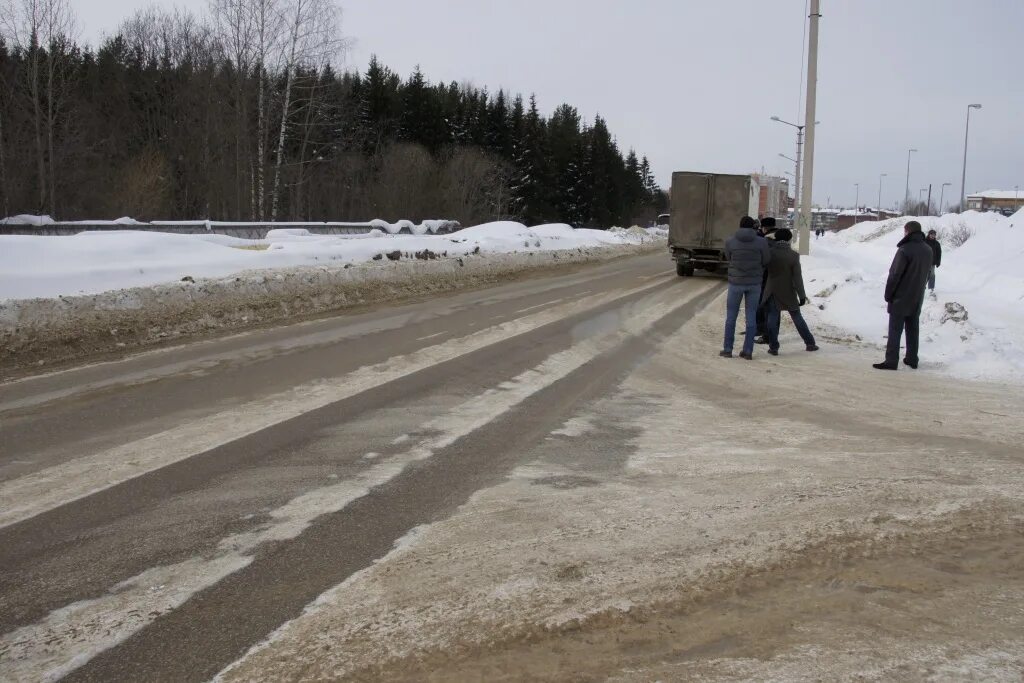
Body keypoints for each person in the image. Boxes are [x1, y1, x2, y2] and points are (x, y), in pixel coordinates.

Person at [873, 220, 933, 370]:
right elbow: (928, 274)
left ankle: (891, 360)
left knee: (895, 330)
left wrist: (888, 295)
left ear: (907, 231)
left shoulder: (904, 249)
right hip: (917, 296)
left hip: (900, 297)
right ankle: (912, 359)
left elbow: (895, 275)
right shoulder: (928, 250)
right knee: (913, 328)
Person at [761, 228, 818, 355]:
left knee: (772, 319)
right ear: (789, 239)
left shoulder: (769, 254)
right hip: (789, 292)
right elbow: (797, 278)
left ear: (776, 238)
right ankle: (810, 343)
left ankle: (773, 347)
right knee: (797, 317)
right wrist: (802, 296)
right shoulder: (793, 256)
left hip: (772, 291)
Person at [721, 216, 771, 360]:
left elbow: (729, 258)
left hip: (735, 283)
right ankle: (747, 351)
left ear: (740, 226)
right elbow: (766, 260)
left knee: (731, 317)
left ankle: (727, 349)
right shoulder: (762, 242)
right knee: (751, 317)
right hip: (754, 284)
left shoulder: (730, 241)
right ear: (753, 227)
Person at [754, 217, 778, 344]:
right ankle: (764, 332)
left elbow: (763, 259)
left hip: (765, 278)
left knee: (766, 307)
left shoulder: (767, 241)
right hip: (775, 278)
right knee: (770, 309)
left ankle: (766, 334)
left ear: (765, 228)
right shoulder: (779, 238)